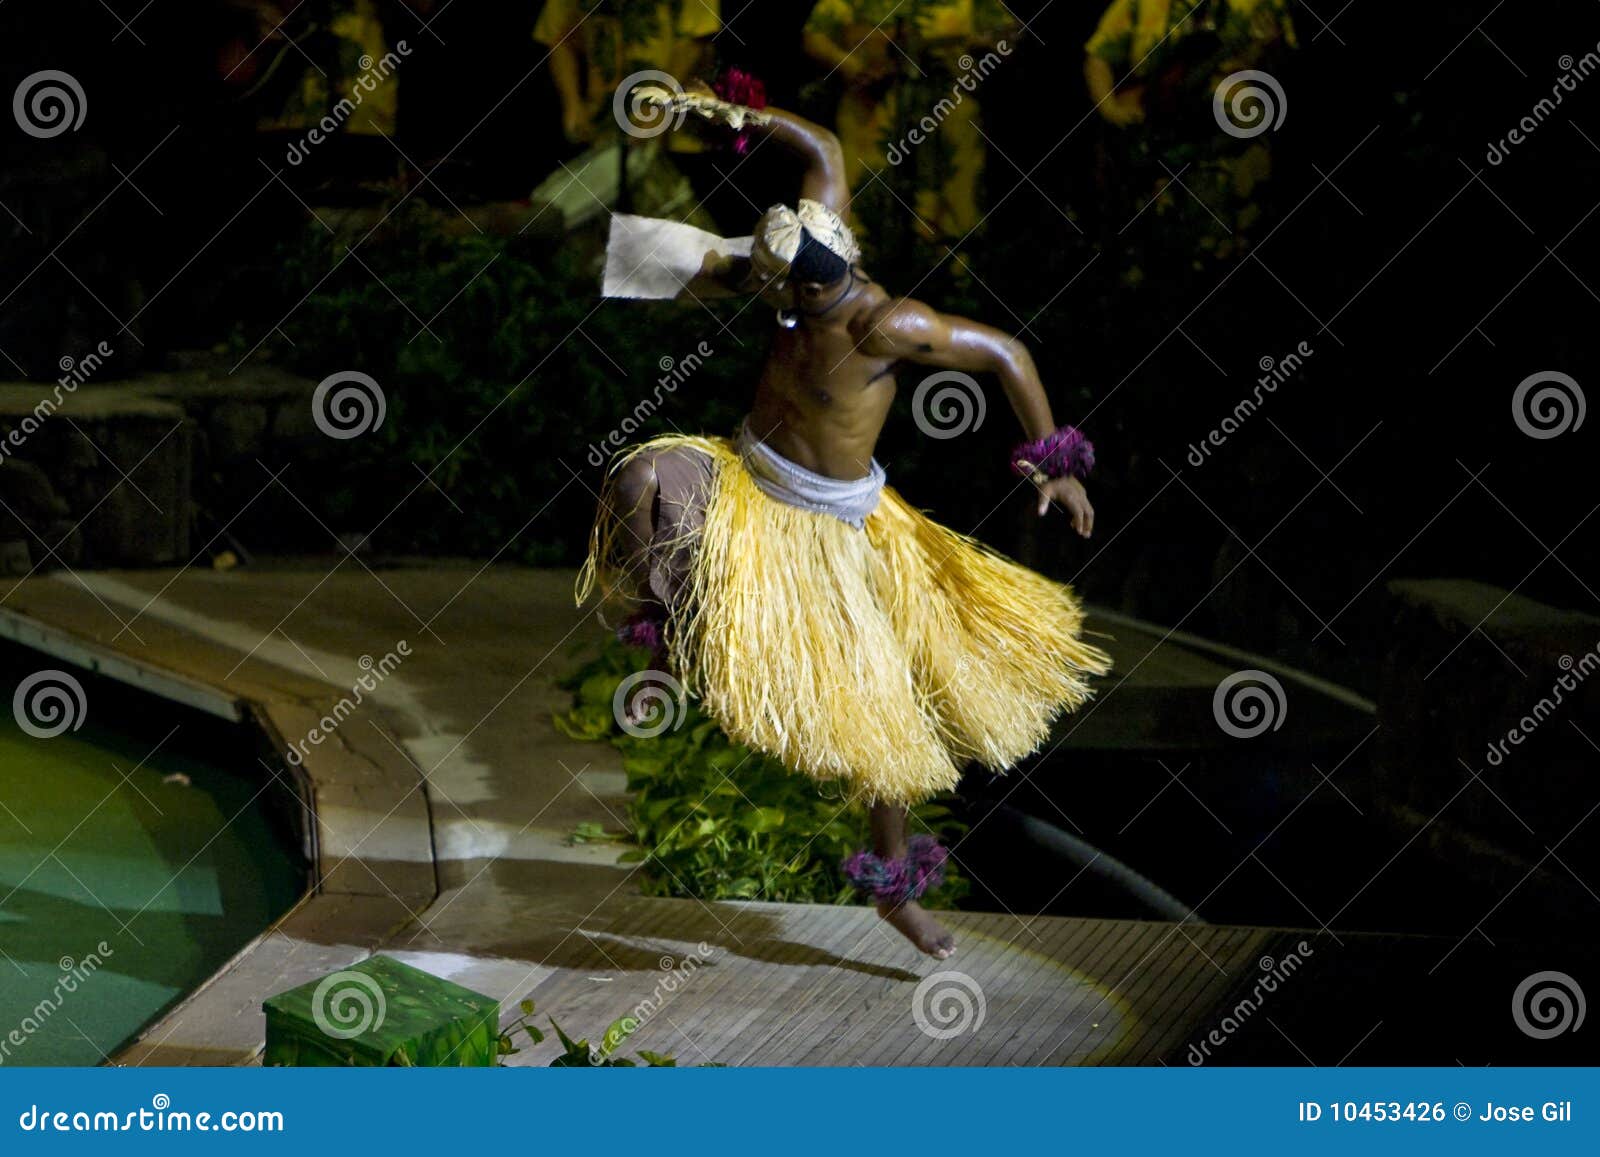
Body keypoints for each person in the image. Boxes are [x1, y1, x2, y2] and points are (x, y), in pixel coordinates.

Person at [578, 88, 1111, 959]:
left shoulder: (888, 324)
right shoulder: (807, 235)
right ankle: (672, 628)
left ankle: (896, 886)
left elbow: (1007, 352)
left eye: (772, 286)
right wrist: (736, 117)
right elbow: (823, 141)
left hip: (832, 532)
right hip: (747, 481)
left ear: (814, 283)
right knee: (640, 477)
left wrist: (1054, 459)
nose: (759, 293)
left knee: (882, 725)